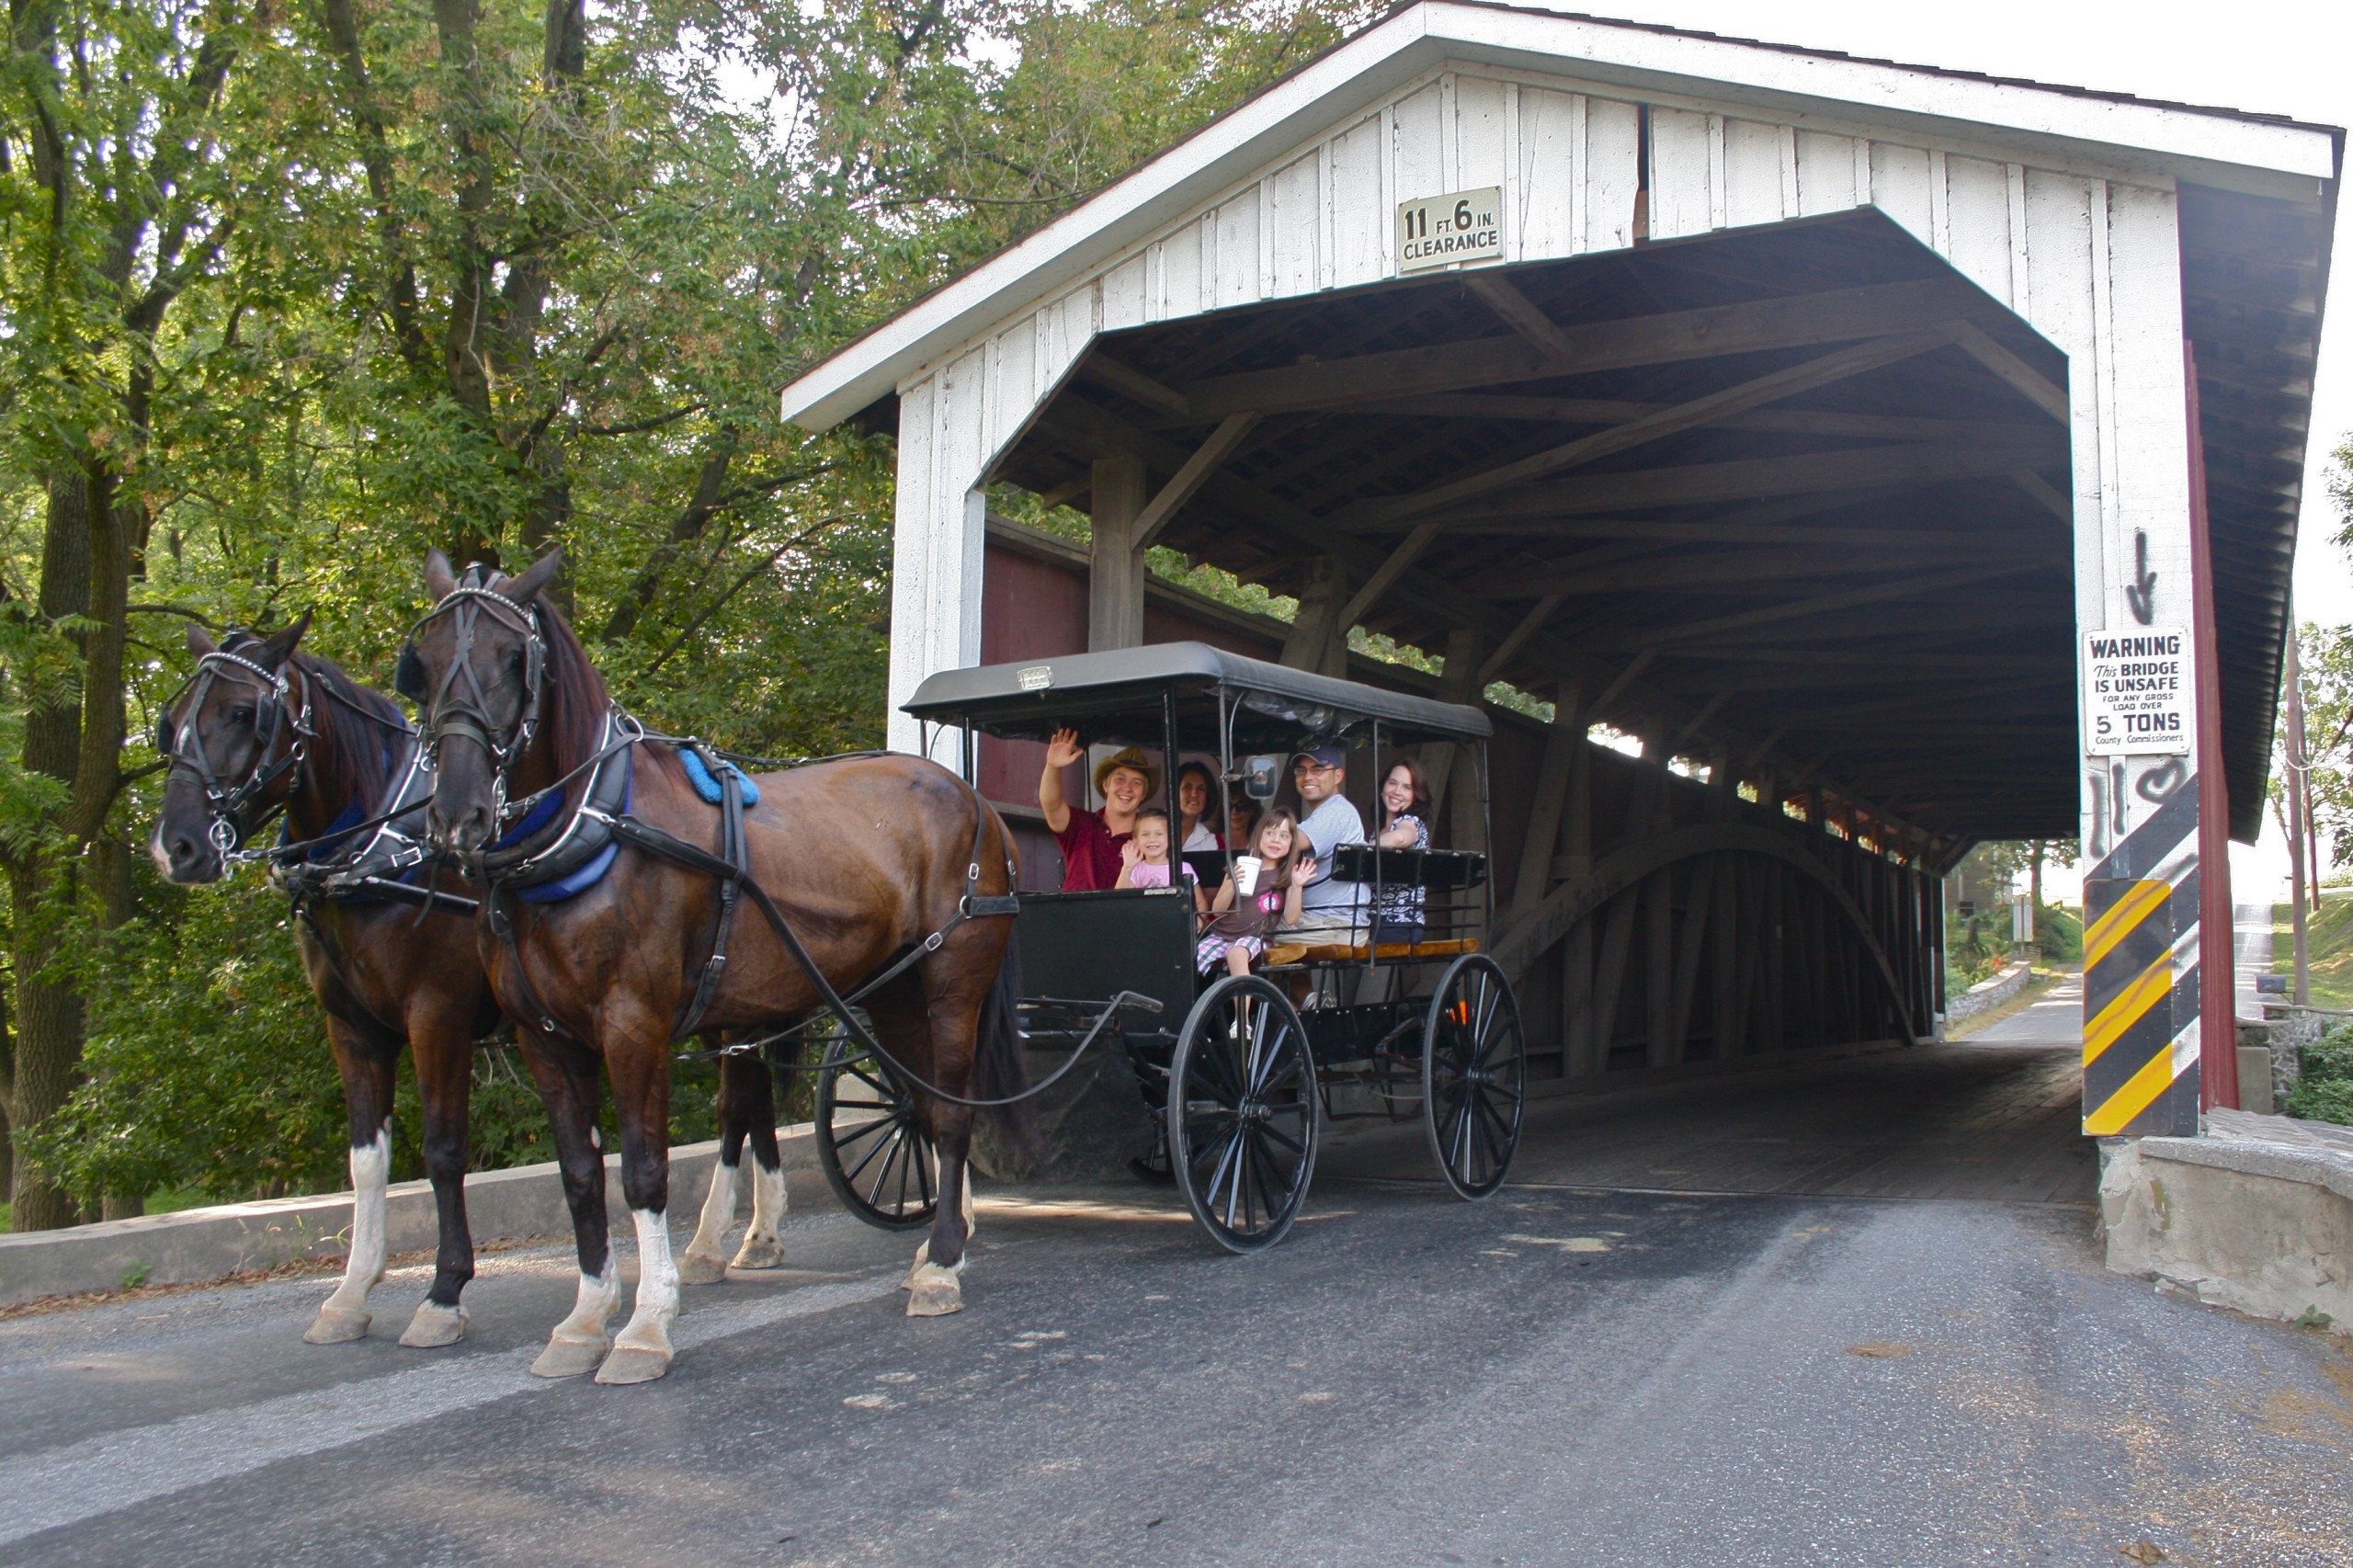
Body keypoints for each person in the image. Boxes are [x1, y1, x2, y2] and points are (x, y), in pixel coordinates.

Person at [1197, 809, 1313, 978]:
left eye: (1284, 836)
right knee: (1189, 961)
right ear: (1259, 836)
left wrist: (1297, 886)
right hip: (1222, 935)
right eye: (1270, 833)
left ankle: (1243, 1004)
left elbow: (1291, 918)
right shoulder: (1239, 866)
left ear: (1291, 844)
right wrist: (1232, 884)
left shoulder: (1286, 876)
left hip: (1257, 937)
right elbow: (1217, 910)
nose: (1276, 840)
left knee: (1236, 954)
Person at [1039, 729, 1156, 892]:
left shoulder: (1151, 839)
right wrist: (1053, 767)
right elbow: (1051, 804)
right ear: (1106, 785)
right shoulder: (1080, 824)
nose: (1127, 788)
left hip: (1125, 916)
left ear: (1143, 793)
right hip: (1075, 915)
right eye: (1120, 779)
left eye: (1136, 782)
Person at [1288, 744, 1366, 934]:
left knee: (1254, 933)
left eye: (1318, 769)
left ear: (1338, 776)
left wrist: (1261, 834)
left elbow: (1291, 841)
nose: (1307, 777)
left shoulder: (1334, 811)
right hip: (1328, 919)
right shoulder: (1332, 811)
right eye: (1301, 770)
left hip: (1331, 922)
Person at [1371, 758, 1430, 943]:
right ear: (1383, 788)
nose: (1397, 792)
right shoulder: (1378, 832)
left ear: (1415, 796)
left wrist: (1362, 849)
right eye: (1393, 783)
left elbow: (1402, 837)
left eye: (1407, 787)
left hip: (1399, 923)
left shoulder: (1410, 822)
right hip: (1373, 920)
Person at [1113, 807, 1199, 904]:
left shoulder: (1183, 868)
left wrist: (1196, 919)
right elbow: (1118, 899)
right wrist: (1127, 868)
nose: (1152, 839)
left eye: (1158, 834)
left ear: (1171, 837)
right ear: (1136, 839)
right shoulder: (1136, 869)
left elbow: (1199, 902)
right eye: (1145, 834)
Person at [1175, 761, 1221, 852]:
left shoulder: (1208, 839)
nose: (1194, 794)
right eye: (1187, 787)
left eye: (1201, 788)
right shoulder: (1154, 826)